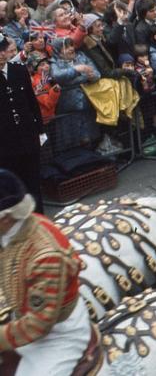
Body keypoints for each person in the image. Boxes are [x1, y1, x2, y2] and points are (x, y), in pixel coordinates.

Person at [0, 170, 99, 375]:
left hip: (58, 335)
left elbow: (38, 325)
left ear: (6, 218)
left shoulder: (44, 257)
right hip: (23, 316)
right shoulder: (17, 226)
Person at [0, 33, 45, 214]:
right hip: (6, 144)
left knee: (34, 184)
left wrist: (40, 130)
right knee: (13, 190)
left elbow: (31, 102)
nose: (2, 54)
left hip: (28, 138)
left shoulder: (18, 70)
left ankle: (40, 220)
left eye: (2, 50)